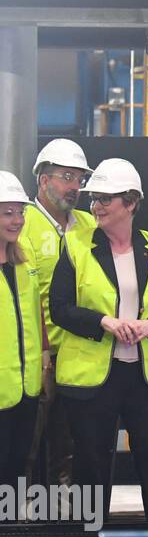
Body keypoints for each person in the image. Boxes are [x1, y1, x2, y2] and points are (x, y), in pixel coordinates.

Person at [49, 159, 148, 522]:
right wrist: (104, 322)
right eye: (94, 199)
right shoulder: (75, 245)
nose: (96, 206)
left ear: (130, 202)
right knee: (91, 463)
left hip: (146, 375)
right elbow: (60, 308)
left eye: (105, 199)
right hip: (94, 376)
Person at [18, 139, 95, 485]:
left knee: (71, 444)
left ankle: (65, 524)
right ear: (43, 180)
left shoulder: (89, 225)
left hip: (81, 354)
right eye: (66, 177)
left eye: (79, 179)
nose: (75, 187)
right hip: (39, 355)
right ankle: (20, 526)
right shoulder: (24, 223)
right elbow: (28, 294)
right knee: (28, 443)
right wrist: (44, 350)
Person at [0, 172, 45, 485]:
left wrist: (44, 357)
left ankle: (11, 532)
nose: (17, 220)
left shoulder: (24, 264)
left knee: (17, 469)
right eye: (7, 213)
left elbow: (35, 314)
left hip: (26, 389)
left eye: (21, 212)